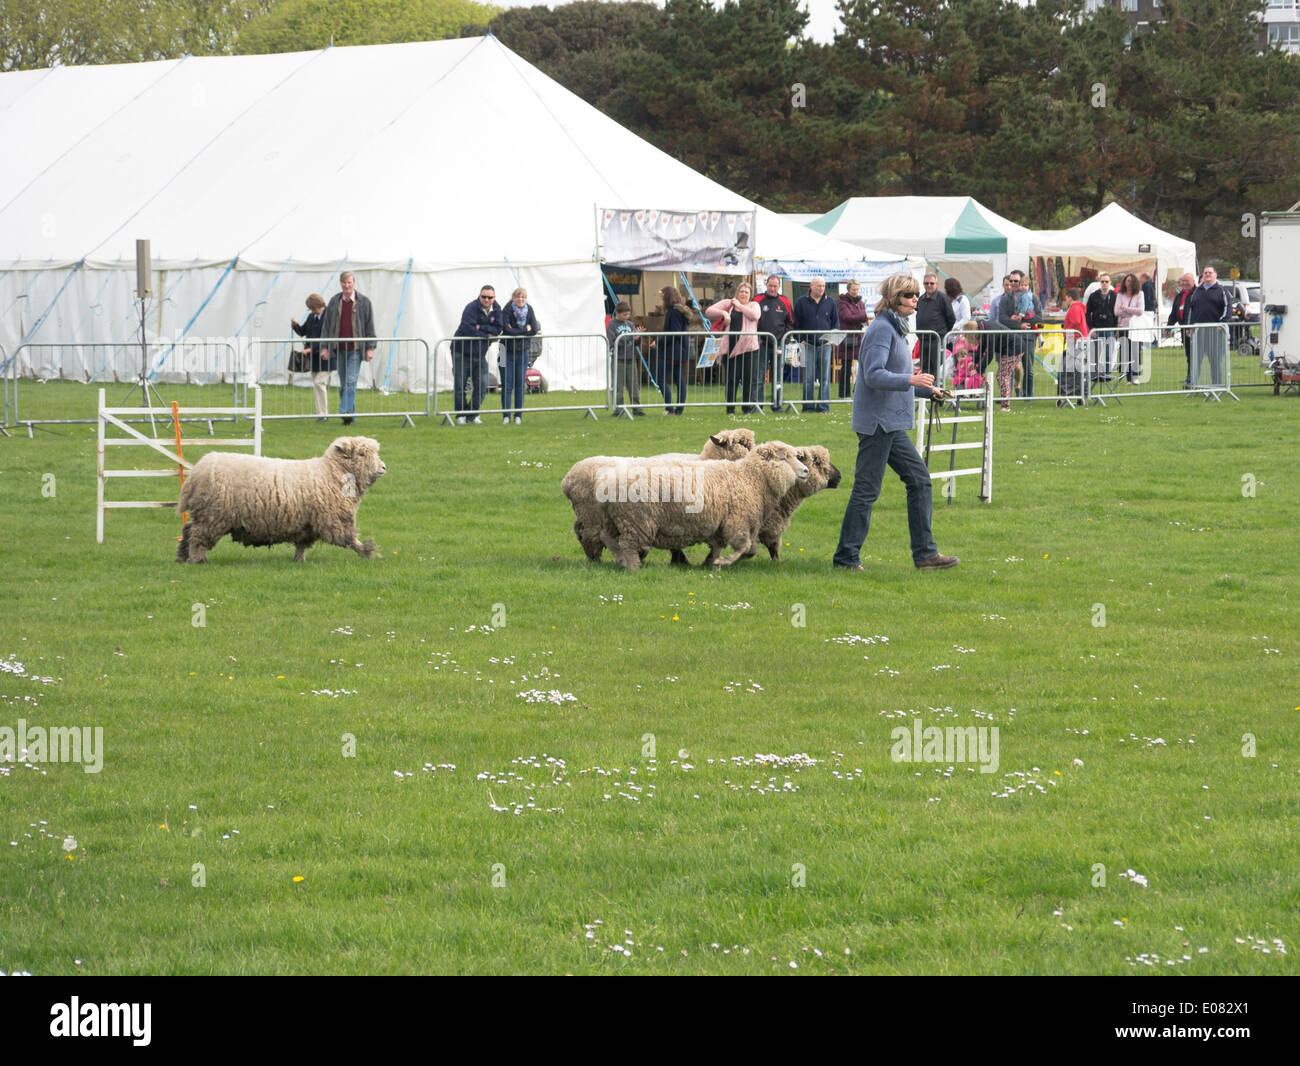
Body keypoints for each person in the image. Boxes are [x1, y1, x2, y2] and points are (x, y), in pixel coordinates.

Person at [832, 272, 959, 573]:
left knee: (919, 481)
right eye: (909, 295)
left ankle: (925, 555)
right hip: (878, 424)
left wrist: (927, 390)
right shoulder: (881, 329)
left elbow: (896, 380)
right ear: (892, 299)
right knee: (866, 491)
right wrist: (911, 378)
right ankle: (846, 558)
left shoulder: (896, 328)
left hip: (891, 424)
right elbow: (873, 375)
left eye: (916, 294)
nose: (916, 299)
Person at [319, 271, 377, 426]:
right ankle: (351, 415)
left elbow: (369, 326)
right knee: (345, 384)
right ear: (340, 284)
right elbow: (326, 326)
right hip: (338, 349)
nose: (347, 285)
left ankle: (344, 411)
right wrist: (324, 347)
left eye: (349, 282)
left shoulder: (364, 302)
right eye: (344, 283)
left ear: (354, 283)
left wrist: (370, 347)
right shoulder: (334, 301)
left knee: (351, 381)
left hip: (356, 350)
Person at [451, 284, 502, 424]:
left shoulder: (497, 309)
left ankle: (472, 414)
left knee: (482, 384)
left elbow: (498, 328)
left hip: (479, 354)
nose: (486, 299)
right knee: (460, 384)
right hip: (461, 351)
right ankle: (461, 414)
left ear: (494, 298)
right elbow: (468, 328)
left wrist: (481, 328)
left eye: (489, 297)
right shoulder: (471, 308)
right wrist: (486, 334)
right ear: (479, 296)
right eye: (483, 296)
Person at [707, 283, 761, 415]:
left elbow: (754, 316)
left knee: (748, 380)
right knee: (731, 380)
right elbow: (708, 311)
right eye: (741, 291)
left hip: (749, 349)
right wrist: (724, 312)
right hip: (730, 349)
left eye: (746, 292)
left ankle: (747, 409)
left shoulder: (754, 305)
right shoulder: (729, 303)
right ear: (737, 293)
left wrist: (740, 306)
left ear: (750, 295)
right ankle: (730, 409)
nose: (743, 294)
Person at [793, 277, 838, 413]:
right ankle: (808, 407)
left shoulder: (831, 302)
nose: (821, 288)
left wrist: (832, 340)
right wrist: (800, 339)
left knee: (825, 378)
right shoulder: (801, 302)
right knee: (808, 377)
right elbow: (796, 323)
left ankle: (824, 407)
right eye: (818, 286)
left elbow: (836, 323)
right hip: (807, 345)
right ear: (811, 286)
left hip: (825, 345)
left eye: (823, 286)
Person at [1186, 264, 1231, 388]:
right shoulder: (1197, 291)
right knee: (1196, 360)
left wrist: (1222, 323)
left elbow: (1228, 309)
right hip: (1199, 332)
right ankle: (1194, 385)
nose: (1207, 275)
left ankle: (1216, 385)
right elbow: (1192, 310)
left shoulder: (1222, 290)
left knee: (1215, 361)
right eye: (1205, 273)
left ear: (1215, 275)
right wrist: (1189, 327)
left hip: (1216, 332)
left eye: (1210, 272)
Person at [499, 286, 539, 424]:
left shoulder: (530, 309)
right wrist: (523, 330)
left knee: (520, 385)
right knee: (507, 384)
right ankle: (506, 415)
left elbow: (534, 329)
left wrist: (515, 330)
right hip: (506, 353)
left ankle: (518, 416)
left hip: (522, 352)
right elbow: (505, 329)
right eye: (518, 297)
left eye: (523, 297)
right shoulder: (507, 309)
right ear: (513, 298)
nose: (520, 299)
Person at [994, 271, 1033, 411]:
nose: (1014, 284)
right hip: (1009, 340)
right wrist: (1019, 325)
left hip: (1027, 337)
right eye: (1012, 281)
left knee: (1028, 368)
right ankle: (1007, 396)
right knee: (1007, 370)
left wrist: (1027, 322)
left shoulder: (1031, 297)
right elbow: (1002, 319)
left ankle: (1028, 396)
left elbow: (1038, 316)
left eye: (1017, 281)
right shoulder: (1005, 299)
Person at [755, 274, 793, 412]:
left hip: (778, 345)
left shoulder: (785, 301)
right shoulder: (758, 299)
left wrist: (785, 340)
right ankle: (757, 406)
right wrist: (756, 336)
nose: (772, 288)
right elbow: (752, 319)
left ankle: (776, 405)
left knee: (777, 377)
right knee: (759, 376)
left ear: (779, 286)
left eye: (775, 286)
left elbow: (790, 322)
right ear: (766, 285)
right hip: (762, 344)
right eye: (770, 285)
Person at [291, 293, 330, 422]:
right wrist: (295, 325)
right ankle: (320, 414)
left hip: (327, 356)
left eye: (312, 308)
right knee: (316, 384)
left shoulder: (329, 317)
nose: (312, 311)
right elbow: (303, 332)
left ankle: (325, 414)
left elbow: (328, 338)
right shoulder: (311, 317)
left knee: (320, 382)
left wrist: (311, 349)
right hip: (313, 357)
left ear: (318, 305)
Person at [606, 300, 646, 417]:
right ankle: (618, 409)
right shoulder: (612, 325)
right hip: (618, 360)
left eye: (628, 314)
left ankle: (637, 408)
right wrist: (630, 338)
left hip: (630, 358)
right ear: (617, 313)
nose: (627, 317)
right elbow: (614, 342)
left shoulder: (630, 324)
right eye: (624, 315)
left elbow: (635, 342)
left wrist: (638, 337)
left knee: (634, 385)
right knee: (618, 386)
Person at [657, 285, 691, 415]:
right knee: (679, 380)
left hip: (670, 351)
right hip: (679, 350)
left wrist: (659, 341)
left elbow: (674, 332)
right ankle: (678, 409)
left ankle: (671, 408)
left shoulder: (674, 311)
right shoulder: (680, 309)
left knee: (661, 379)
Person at [914, 273, 955, 380]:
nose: (929, 285)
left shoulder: (942, 298)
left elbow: (951, 318)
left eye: (931, 283)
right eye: (926, 283)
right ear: (923, 284)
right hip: (923, 339)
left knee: (935, 368)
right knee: (925, 368)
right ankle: (927, 391)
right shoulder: (921, 298)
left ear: (936, 284)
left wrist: (942, 332)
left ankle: (936, 392)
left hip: (936, 339)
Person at [836, 280, 869, 398]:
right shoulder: (842, 303)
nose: (855, 292)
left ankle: (858, 391)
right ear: (848, 289)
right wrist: (863, 317)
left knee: (863, 365)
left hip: (858, 337)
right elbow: (847, 317)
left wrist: (863, 318)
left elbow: (859, 317)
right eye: (853, 289)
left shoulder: (861, 303)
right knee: (846, 366)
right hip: (847, 338)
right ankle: (844, 393)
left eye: (857, 289)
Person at [1113, 273, 1146, 383]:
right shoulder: (1120, 295)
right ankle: (1128, 377)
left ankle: (1135, 376)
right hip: (1123, 327)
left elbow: (1140, 311)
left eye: (1132, 280)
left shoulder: (1140, 294)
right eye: (1127, 280)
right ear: (1124, 282)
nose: (1129, 282)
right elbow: (1116, 311)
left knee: (1136, 351)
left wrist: (1126, 308)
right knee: (1125, 351)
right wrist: (1132, 311)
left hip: (1135, 327)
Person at [1085, 273, 1118, 380]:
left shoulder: (1114, 296)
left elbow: (1117, 313)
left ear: (1110, 283)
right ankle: (1095, 374)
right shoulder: (1093, 295)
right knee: (1096, 354)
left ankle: (1107, 374)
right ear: (1100, 282)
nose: (1104, 283)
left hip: (1110, 328)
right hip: (1097, 328)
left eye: (1106, 281)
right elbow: (1087, 313)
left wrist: (1117, 329)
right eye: (1102, 281)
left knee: (1109, 353)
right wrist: (1091, 328)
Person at [1167, 272, 1196, 387]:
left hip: (1195, 329)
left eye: (1187, 281)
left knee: (1195, 355)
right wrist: (1169, 326)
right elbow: (1174, 312)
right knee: (1189, 355)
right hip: (1184, 330)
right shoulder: (1179, 295)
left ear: (1193, 282)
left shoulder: (1197, 293)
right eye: (1183, 281)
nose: (1185, 283)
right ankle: (1190, 378)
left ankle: (1192, 379)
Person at [1060, 287, 1089, 403]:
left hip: (1076, 341)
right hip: (1078, 340)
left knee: (1075, 369)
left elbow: (1076, 321)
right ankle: (1080, 395)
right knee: (1078, 369)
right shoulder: (1078, 307)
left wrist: (1066, 330)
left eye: (1066, 297)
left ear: (1070, 297)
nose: (1065, 299)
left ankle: (1077, 394)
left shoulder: (1074, 308)